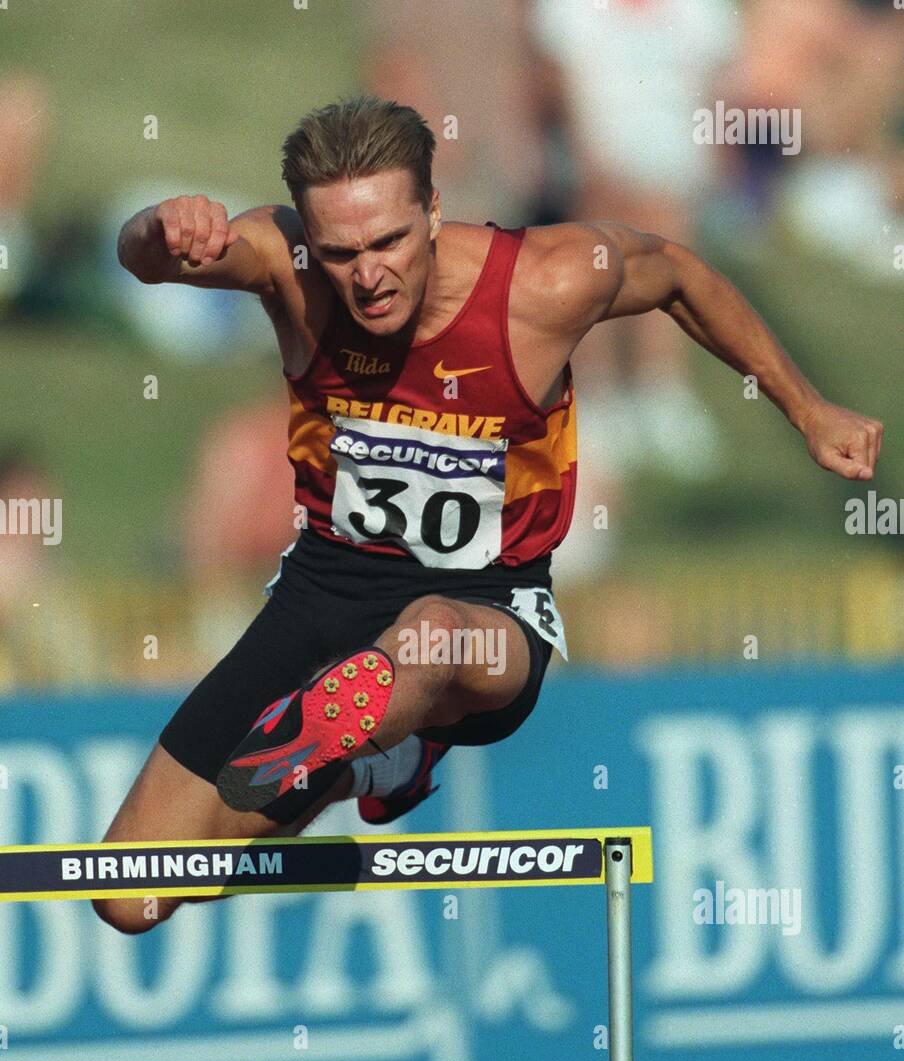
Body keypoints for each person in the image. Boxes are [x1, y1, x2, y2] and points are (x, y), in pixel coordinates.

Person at [99, 95, 882, 934]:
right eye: (341, 253)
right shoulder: (280, 260)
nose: (368, 275)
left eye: (390, 242)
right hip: (323, 595)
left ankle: (367, 736)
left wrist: (807, 409)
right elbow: (146, 258)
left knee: (430, 634)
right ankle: (375, 760)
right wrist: (160, 226)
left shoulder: (547, 281)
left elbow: (680, 275)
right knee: (128, 897)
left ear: (434, 210)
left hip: (490, 611)